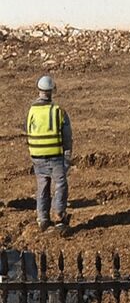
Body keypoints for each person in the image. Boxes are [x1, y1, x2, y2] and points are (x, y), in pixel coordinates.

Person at [25, 75, 72, 232]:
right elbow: (67, 136)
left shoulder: (32, 110)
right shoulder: (58, 111)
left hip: (37, 156)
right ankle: (59, 217)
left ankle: (43, 218)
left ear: (39, 91)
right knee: (60, 184)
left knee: (42, 186)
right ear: (52, 91)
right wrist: (67, 155)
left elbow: (28, 129)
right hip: (54, 155)